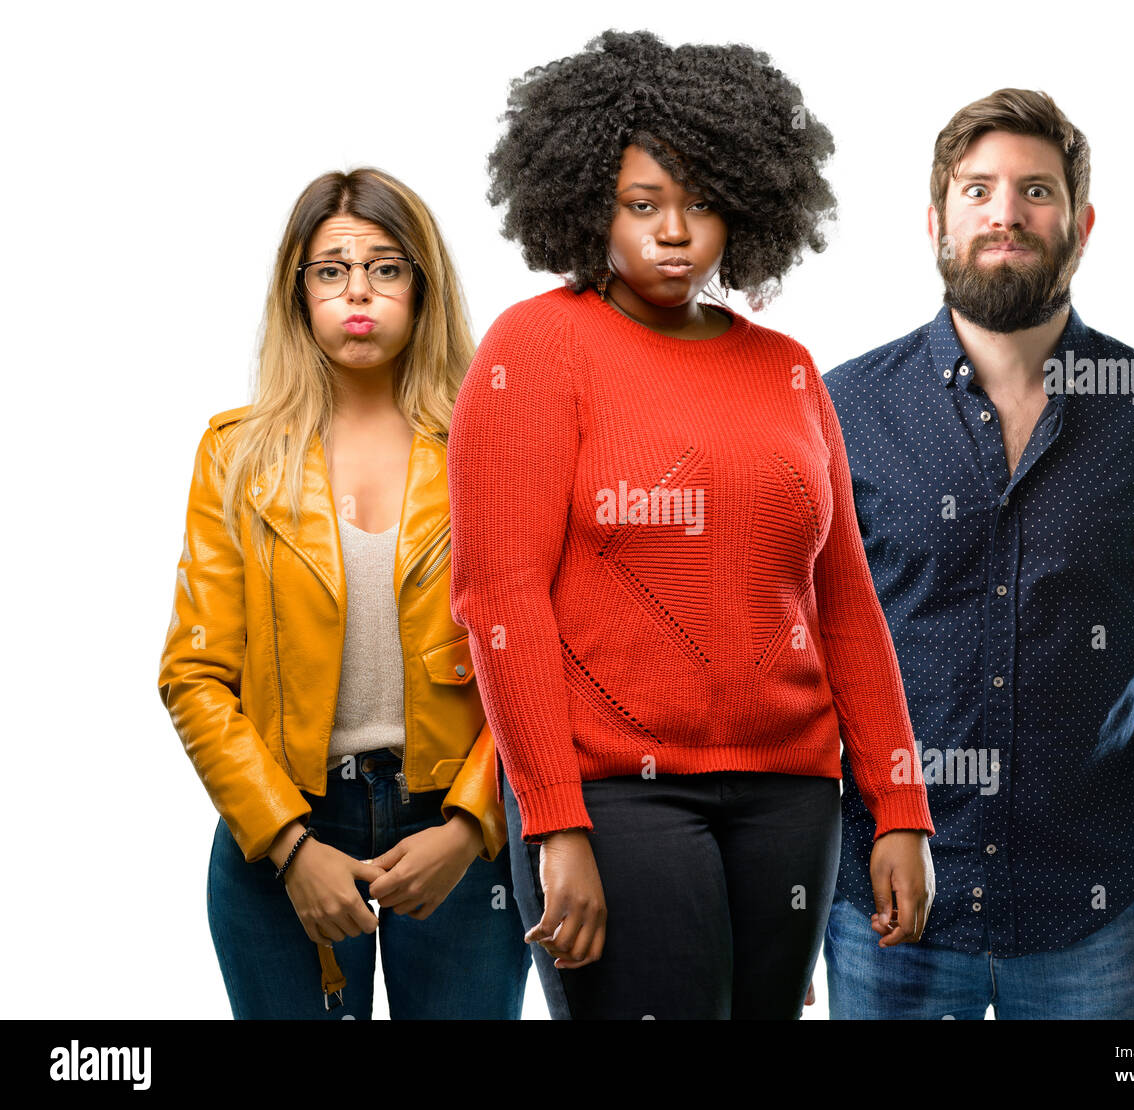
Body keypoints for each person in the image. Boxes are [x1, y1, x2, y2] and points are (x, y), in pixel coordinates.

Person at [446, 29, 934, 1020]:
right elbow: (500, 602)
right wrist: (553, 822)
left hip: (793, 798)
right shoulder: (536, 348)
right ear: (589, 204)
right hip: (617, 795)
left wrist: (900, 808)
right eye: (642, 205)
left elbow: (845, 607)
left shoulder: (788, 368)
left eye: (701, 204)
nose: (674, 233)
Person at [822, 89, 1134, 1020]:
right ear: (935, 221)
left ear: (1080, 224)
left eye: (1035, 191)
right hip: (888, 915)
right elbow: (792, 664)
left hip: (1090, 927)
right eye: (977, 190)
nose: (1005, 213)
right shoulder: (844, 412)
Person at [157, 167, 530, 1018]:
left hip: (459, 837)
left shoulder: (493, 444)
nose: (358, 290)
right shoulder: (235, 453)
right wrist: (290, 847)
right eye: (331, 270)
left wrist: (471, 827)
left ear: (421, 286)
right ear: (299, 292)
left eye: (386, 267)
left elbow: (537, 659)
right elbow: (193, 673)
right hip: (281, 836)